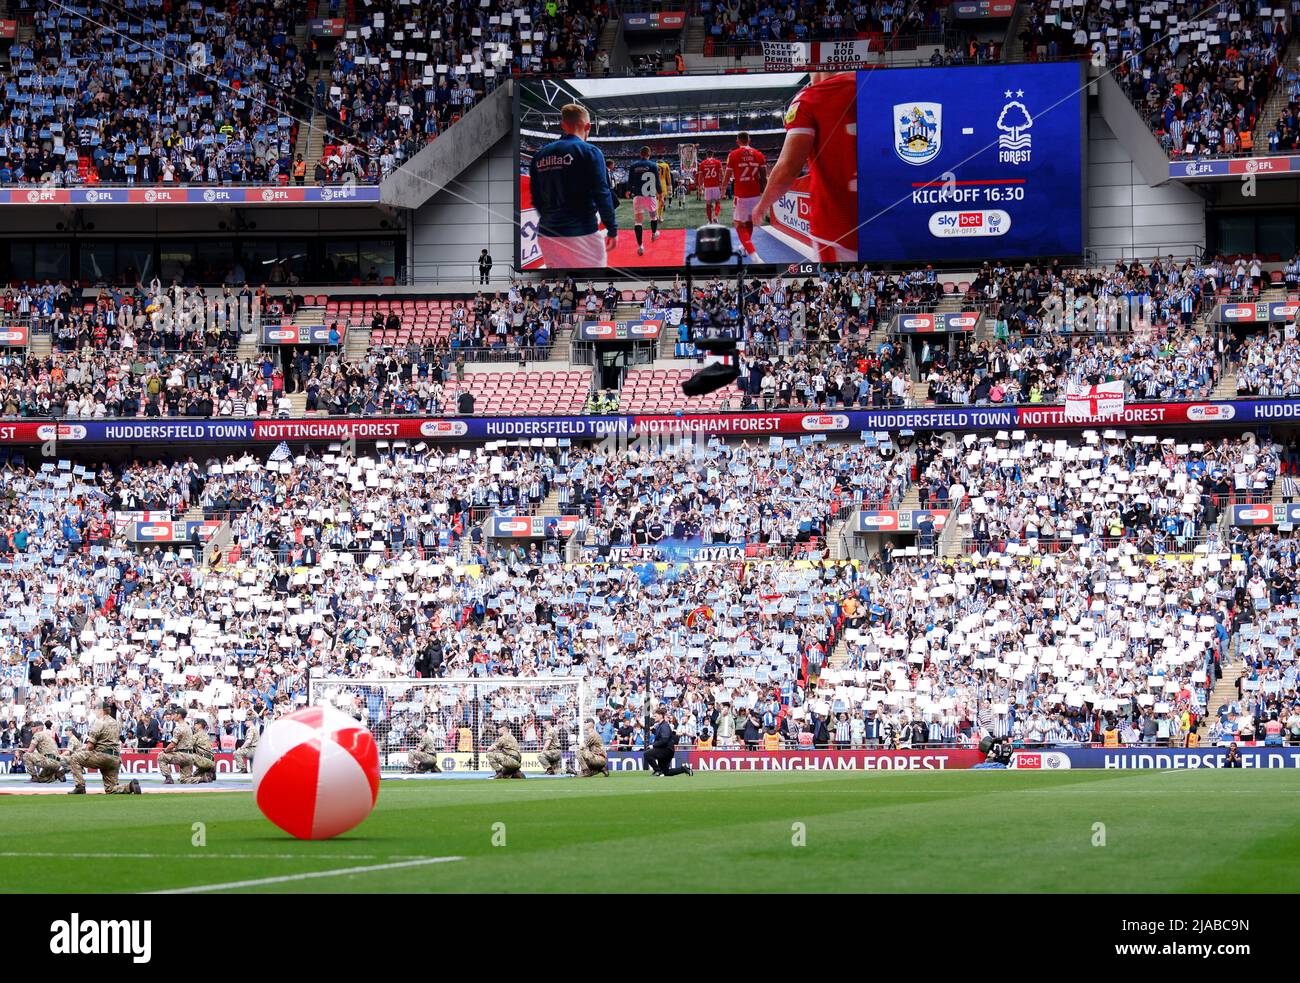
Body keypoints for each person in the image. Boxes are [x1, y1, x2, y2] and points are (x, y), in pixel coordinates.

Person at [754, 72, 858, 263]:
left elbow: (788, 168)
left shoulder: (809, 98)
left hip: (838, 230)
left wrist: (762, 206)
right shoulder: (873, 81)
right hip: (887, 224)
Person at [528, 103, 618, 268]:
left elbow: (536, 198)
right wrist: (612, 229)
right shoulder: (590, 151)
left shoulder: (539, 156)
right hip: (581, 233)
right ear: (588, 126)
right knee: (592, 283)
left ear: (563, 125)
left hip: (547, 234)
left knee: (560, 284)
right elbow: (602, 194)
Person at [68, 699, 141, 795]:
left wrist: (81, 751)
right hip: (115, 758)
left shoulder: (99, 722)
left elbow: (90, 746)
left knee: (74, 758)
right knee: (110, 789)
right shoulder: (116, 723)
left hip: (101, 756)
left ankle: (80, 786)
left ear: (101, 710)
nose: (94, 712)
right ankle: (130, 786)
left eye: (95, 709)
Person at [723, 131, 768, 259]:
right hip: (755, 194)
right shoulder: (759, 154)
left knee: (739, 224)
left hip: (741, 195)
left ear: (737, 141)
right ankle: (744, 247)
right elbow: (764, 178)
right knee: (749, 222)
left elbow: (727, 176)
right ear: (750, 140)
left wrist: (723, 190)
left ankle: (754, 256)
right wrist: (764, 194)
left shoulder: (733, 155)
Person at [627, 146, 662, 257]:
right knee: (653, 217)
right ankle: (653, 234)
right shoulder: (653, 165)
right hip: (650, 196)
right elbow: (656, 181)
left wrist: (628, 190)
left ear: (640, 154)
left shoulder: (633, 166)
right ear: (649, 154)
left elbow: (630, 181)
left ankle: (640, 246)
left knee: (638, 222)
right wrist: (660, 194)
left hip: (638, 196)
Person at [645, 709, 693, 777]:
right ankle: (684, 769)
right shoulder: (660, 725)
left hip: (666, 750)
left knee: (647, 754)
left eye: (655, 716)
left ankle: (658, 771)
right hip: (666, 749)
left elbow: (665, 739)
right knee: (666, 772)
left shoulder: (664, 726)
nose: (654, 717)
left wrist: (653, 745)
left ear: (661, 716)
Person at [158, 706, 196, 785]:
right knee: (185, 780)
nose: (173, 716)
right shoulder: (188, 727)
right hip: (190, 755)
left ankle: (168, 778)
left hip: (182, 755)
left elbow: (172, 744)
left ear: (179, 716)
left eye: (174, 714)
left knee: (161, 756)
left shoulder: (178, 728)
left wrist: (165, 750)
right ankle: (202, 779)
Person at [23, 719, 64, 783]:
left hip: (49, 761)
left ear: (37, 729)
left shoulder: (37, 734)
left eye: (32, 728)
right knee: (41, 778)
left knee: (26, 755)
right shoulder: (47, 735)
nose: (31, 729)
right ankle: (57, 774)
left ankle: (34, 777)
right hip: (57, 763)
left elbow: (30, 750)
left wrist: (24, 751)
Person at [180, 719, 217, 783]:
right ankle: (208, 772)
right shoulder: (206, 735)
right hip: (211, 761)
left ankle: (185, 776)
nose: (194, 726)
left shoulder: (196, 735)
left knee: (187, 756)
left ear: (200, 725)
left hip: (203, 760)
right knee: (195, 775)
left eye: (195, 725)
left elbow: (187, 746)